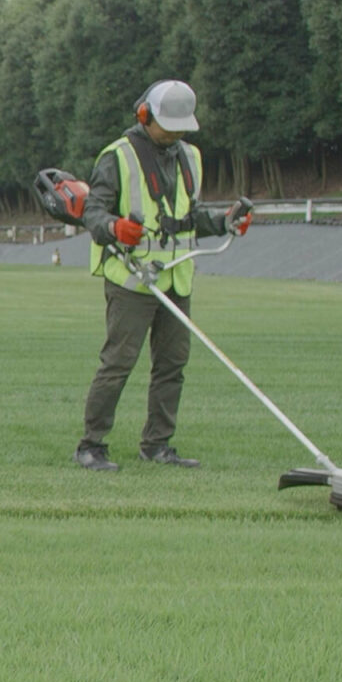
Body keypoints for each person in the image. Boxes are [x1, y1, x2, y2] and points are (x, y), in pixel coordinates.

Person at [73, 80, 252, 471]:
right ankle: (91, 445)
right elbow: (93, 212)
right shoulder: (117, 156)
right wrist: (116, 228)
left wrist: (224, 221)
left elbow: (188, 218)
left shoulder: (190, 156)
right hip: (132, 280)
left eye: (179, 128)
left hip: (176, 278)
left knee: (172, 364)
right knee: (118, 362)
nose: (173, 134)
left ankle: (157, 444)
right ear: (144, 115)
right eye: (166, 127)